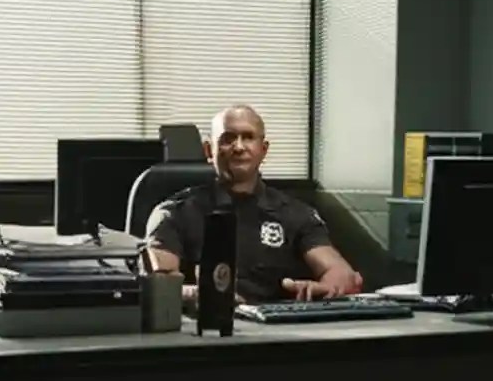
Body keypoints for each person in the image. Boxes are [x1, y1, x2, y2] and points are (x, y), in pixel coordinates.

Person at [145, 105, 362, 304]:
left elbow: (342, 274)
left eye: (248, 137)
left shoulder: (296, 214)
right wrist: (203, 295)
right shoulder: (176, 213)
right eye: (228, 139)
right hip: (205, 332)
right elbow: (159, 283)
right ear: (209, 151)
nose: (239, 147)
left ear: (263, 150)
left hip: (277, 334)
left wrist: (323, 288)